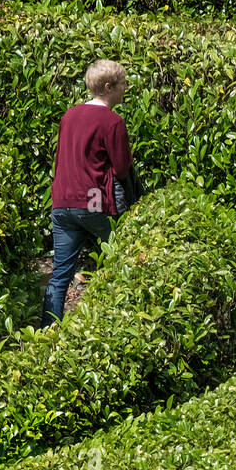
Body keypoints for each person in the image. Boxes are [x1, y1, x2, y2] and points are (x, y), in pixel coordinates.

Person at [40, 59, 140, 327]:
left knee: (60, 273)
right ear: (108, 87)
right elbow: (121, 169)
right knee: (123, 261)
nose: (126, 89)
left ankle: (46, 335)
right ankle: (111, 327)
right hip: (94, 203)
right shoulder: (113, 122)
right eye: (122, 84)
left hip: (61, 202)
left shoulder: (69, 115)